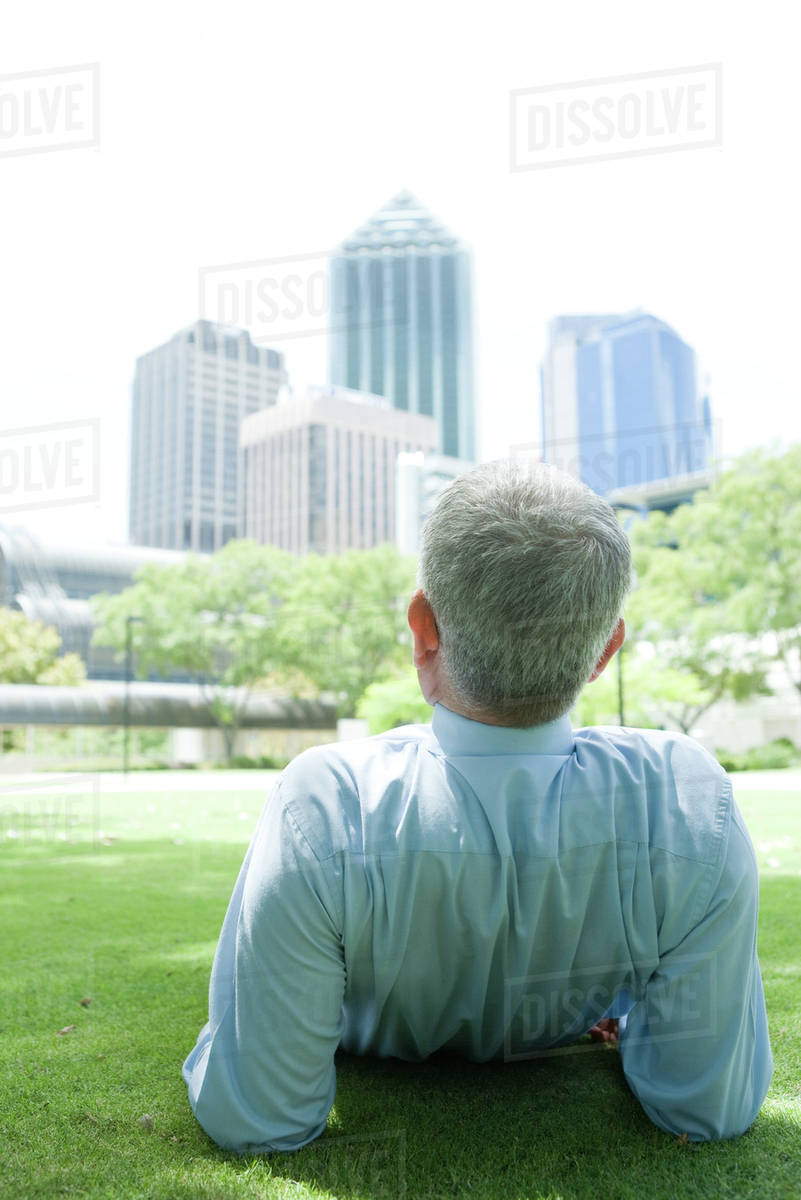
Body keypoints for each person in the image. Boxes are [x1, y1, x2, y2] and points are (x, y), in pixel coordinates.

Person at [182, 459, 773, 1151]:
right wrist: (637, 1012)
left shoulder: (326, 803)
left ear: (422, 627)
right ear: (605, 650)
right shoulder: (686, 800)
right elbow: (707, 1109)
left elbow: (258, 1119)